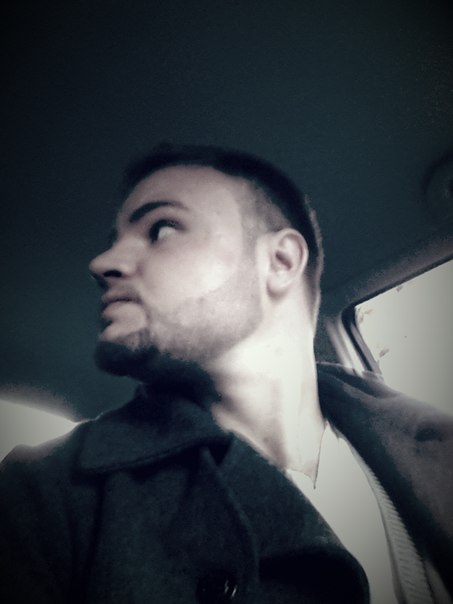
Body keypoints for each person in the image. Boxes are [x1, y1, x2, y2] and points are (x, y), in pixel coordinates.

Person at [0, 145, 452, 604]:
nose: (102, 263)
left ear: (280, 262)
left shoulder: (435, 449)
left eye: (161, 229)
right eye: (113, 240)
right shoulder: (39, 496)